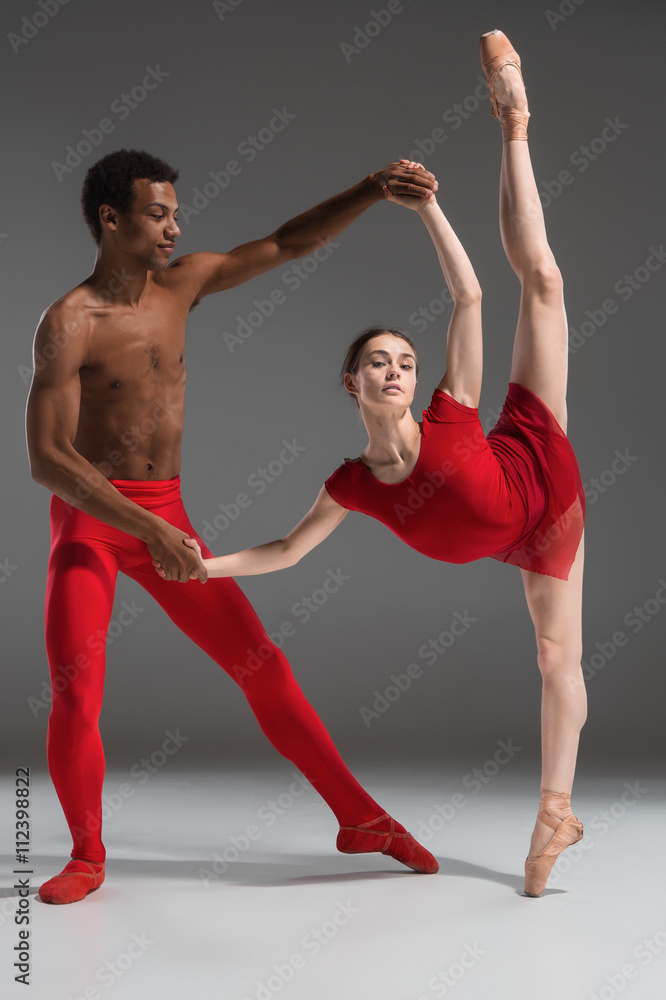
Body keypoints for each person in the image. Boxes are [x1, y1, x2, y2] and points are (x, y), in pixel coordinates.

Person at [163, 30, 587, 898]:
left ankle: (514, 123)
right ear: (351, 383)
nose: (396, 369)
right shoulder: (352, 484)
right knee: (550, 657)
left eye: (403, 359)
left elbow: (469, 297)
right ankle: (557, 812)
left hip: (539, 472)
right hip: (510, 537)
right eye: (378, 363)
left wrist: (424, 205)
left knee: (539, 281)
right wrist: (201, 565)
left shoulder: (452, 410)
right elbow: (284, 554)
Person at [25, 148, 442, 904]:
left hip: (166, 514)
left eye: (176, 214)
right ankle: (87, 855)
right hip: (91, 521)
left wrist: (368, 187)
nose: (174, 228)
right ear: (111, 219)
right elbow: (50, 460)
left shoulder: (182, 286)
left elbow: (287, 244)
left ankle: (362, 820)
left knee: (263, 667)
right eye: (158, 215)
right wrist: (145, 532)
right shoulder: (69, 321)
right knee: (77, 693)